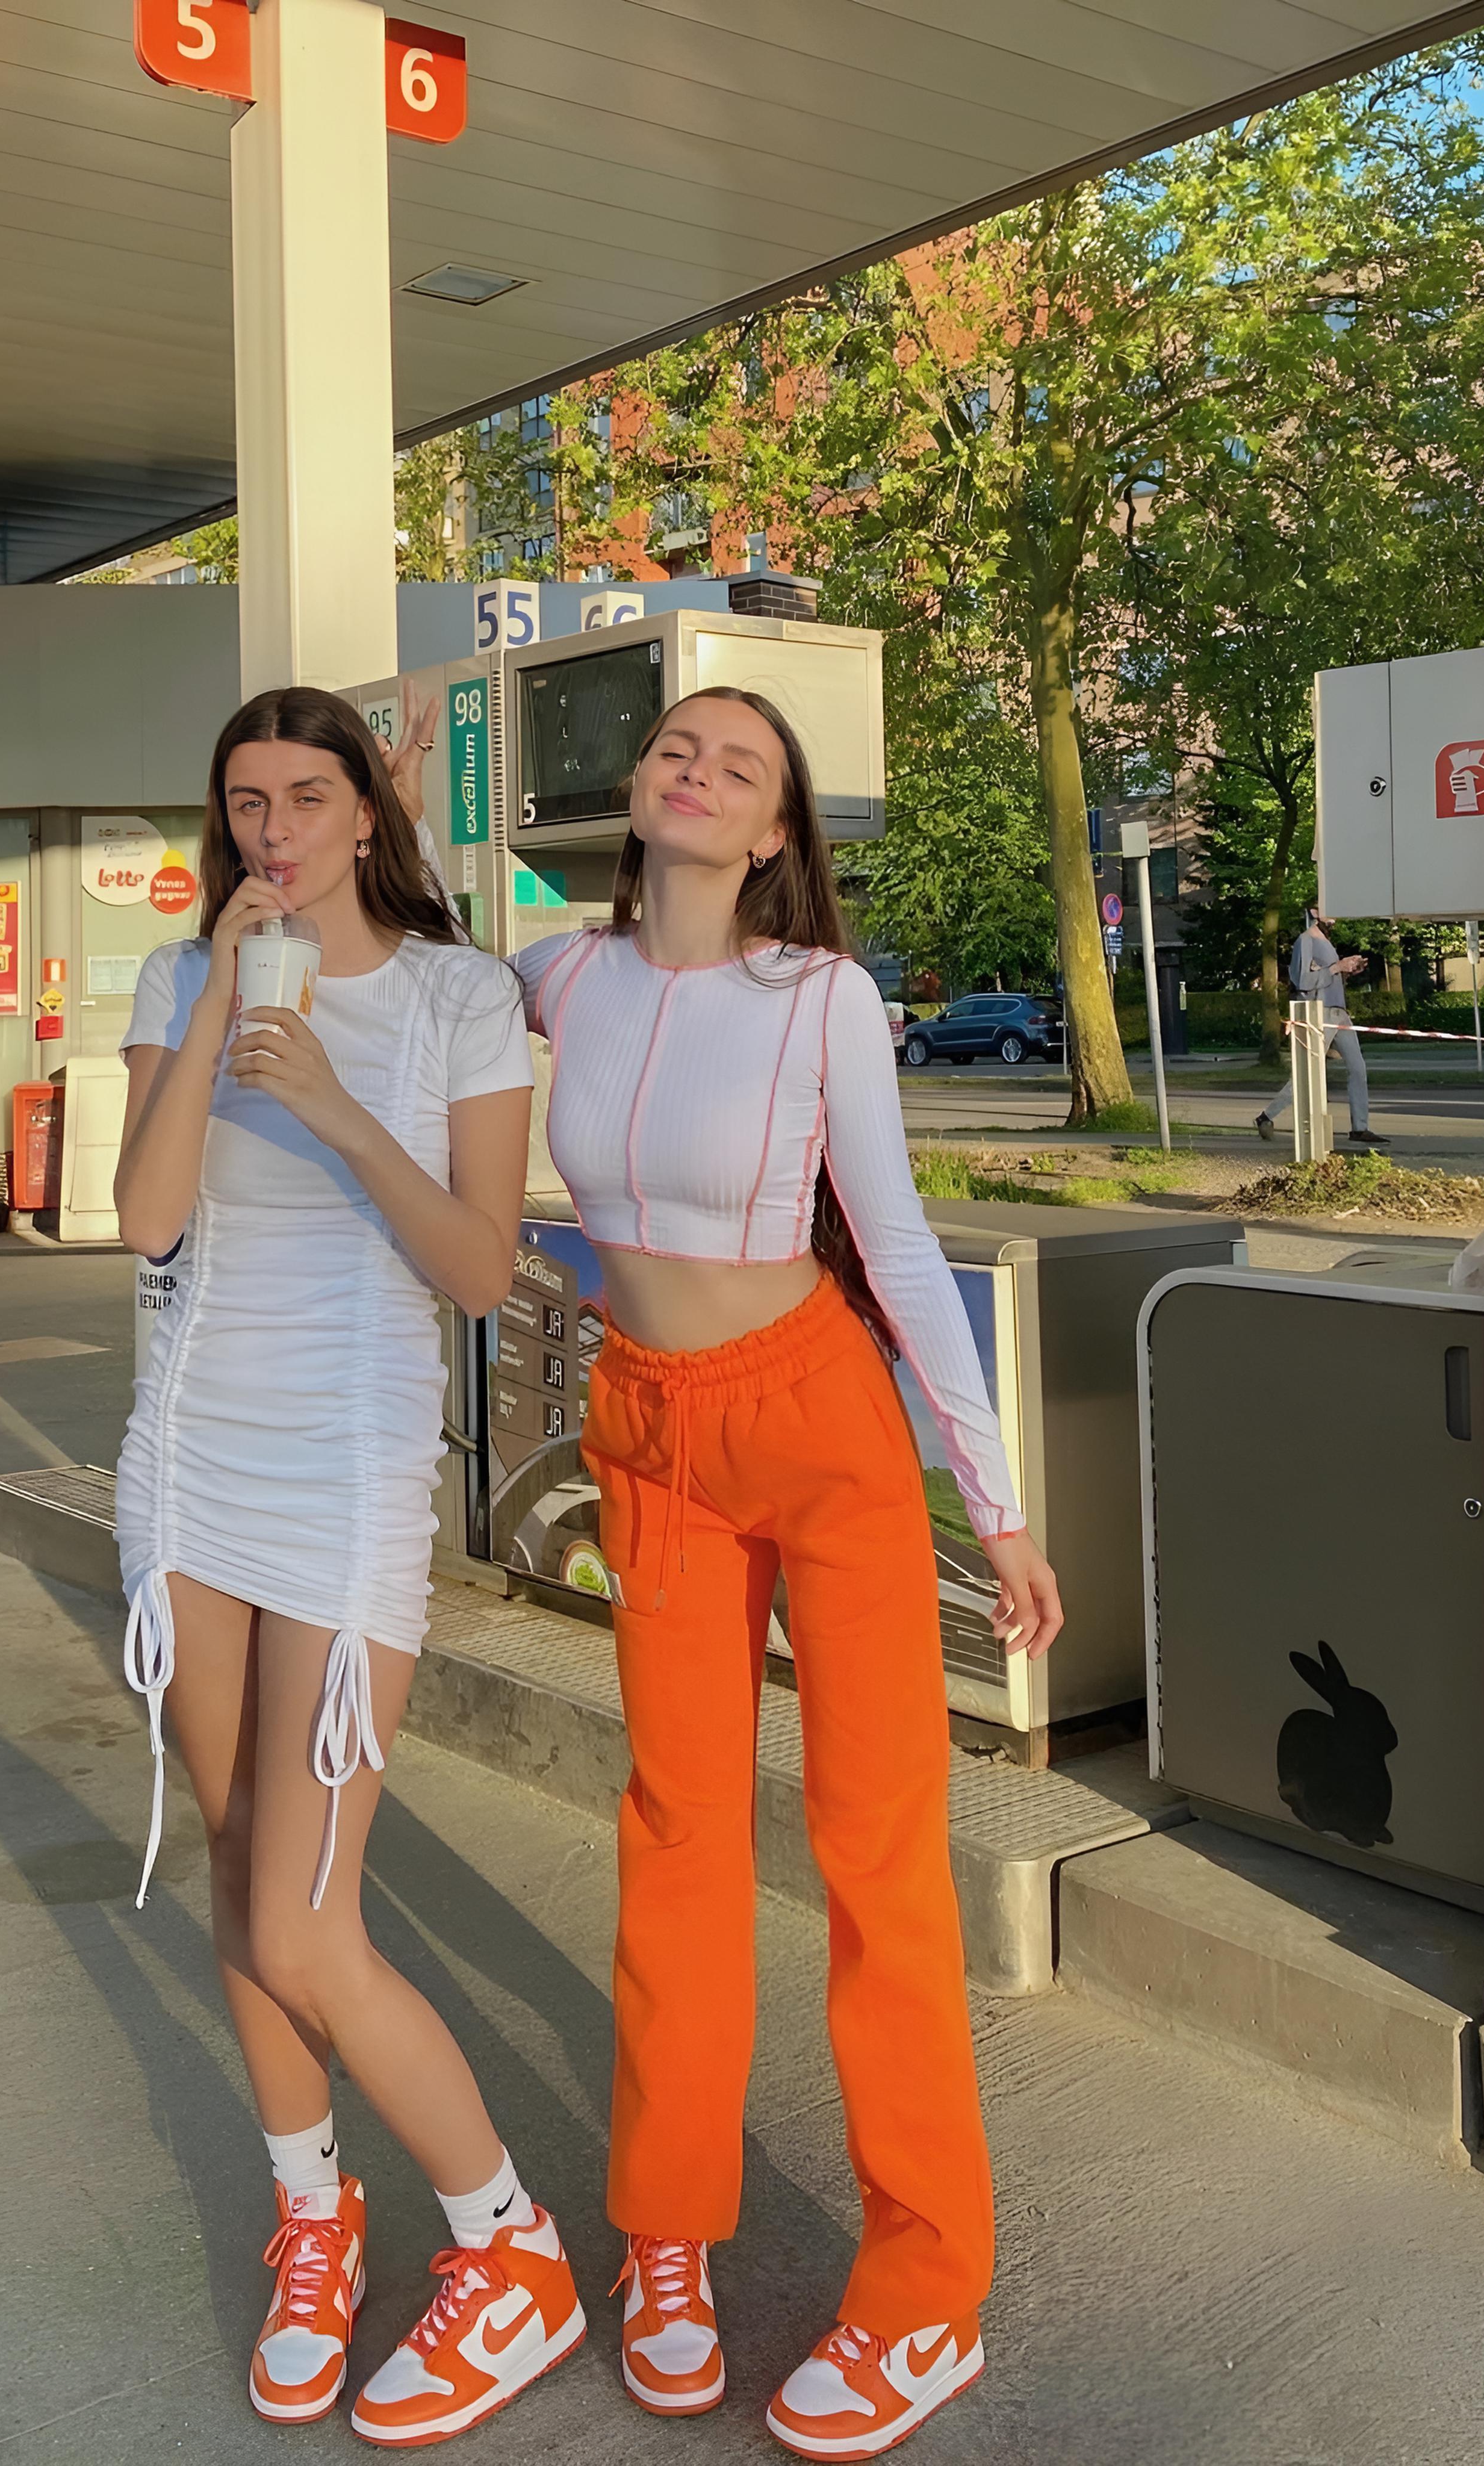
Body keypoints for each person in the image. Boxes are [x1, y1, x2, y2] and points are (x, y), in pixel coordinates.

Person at [511, 687, 1063, 2460]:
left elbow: (892, 1234)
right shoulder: (553, 975)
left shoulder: (818, 996)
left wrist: (996, 1506)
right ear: (635, 793)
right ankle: (665, 2239)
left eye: (740, 764)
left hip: (818, 1425)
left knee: (876, 1848)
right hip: (650, 1428)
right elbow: (384, 974)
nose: (697, 766)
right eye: (679, 743)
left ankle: (926, 2293)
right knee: (677, 1829)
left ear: (772, 838)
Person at [112, 686, 583, 2447]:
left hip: (347, 1480)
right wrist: (234, 994)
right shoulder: (181, 980)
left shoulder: (465, 995)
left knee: (311, 1916)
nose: (277, 830)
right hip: (188, 1471)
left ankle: (509, 2248)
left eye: (311, 796)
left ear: (372, 811)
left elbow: (479, 1268)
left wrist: (330, 1093)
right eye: (247, 802)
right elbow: (147, 1220)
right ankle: (319, 2220)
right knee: (245, 1884)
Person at [1255, 909, 1387, 1147]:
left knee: (1358, 1068)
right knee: (1308, 1071)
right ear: (1315, 912)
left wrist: (1348, 971)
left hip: (1340, 1013)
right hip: (1321, 1014)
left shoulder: (1325, 943)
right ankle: (1267, 1116)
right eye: (1330, 915)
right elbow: (1302, 981)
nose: (1334, 921)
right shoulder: (1306, 940)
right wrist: (1337, 967)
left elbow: (1326, 977)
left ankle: (1360, 1127)